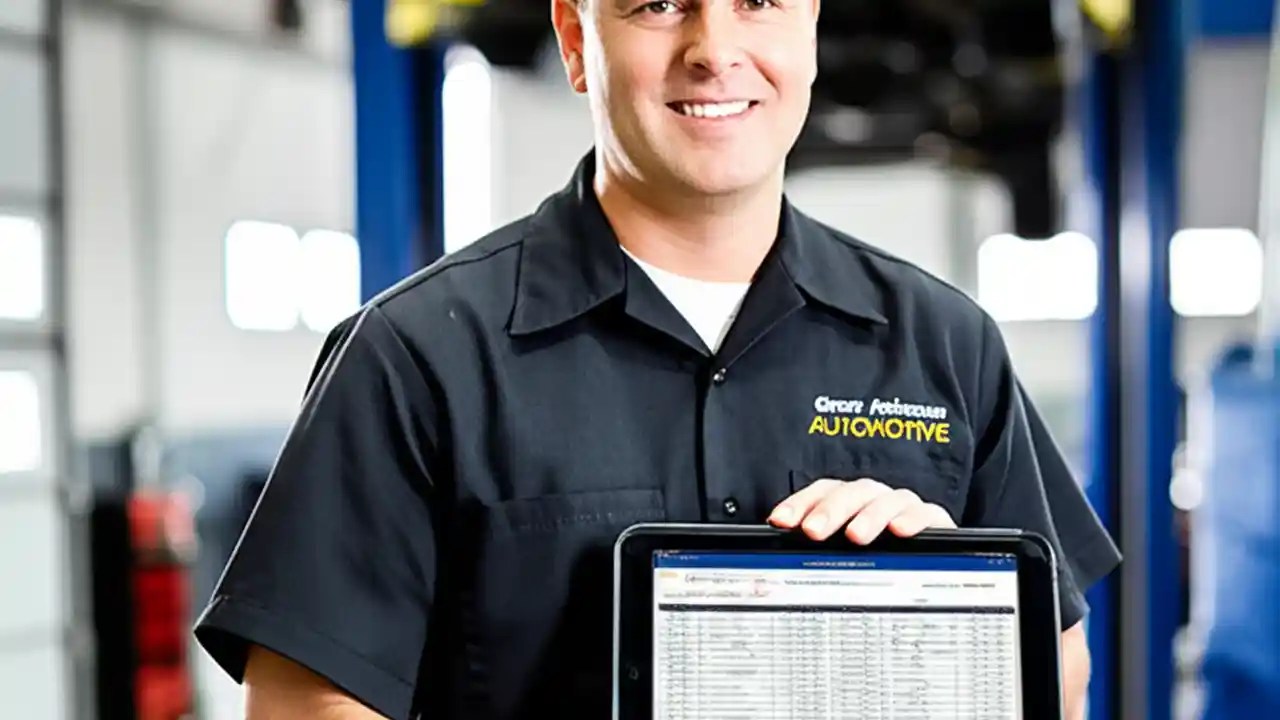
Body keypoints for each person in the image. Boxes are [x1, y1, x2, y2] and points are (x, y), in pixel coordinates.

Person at [194, 0, 1121, 718]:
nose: (714, 49)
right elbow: (308, 700)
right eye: (659, 4)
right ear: (573, 38)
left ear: (809, 27)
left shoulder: (944, 343)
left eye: (758, 0)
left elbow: (1061, 663)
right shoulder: (417, 356)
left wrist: (944, 600)